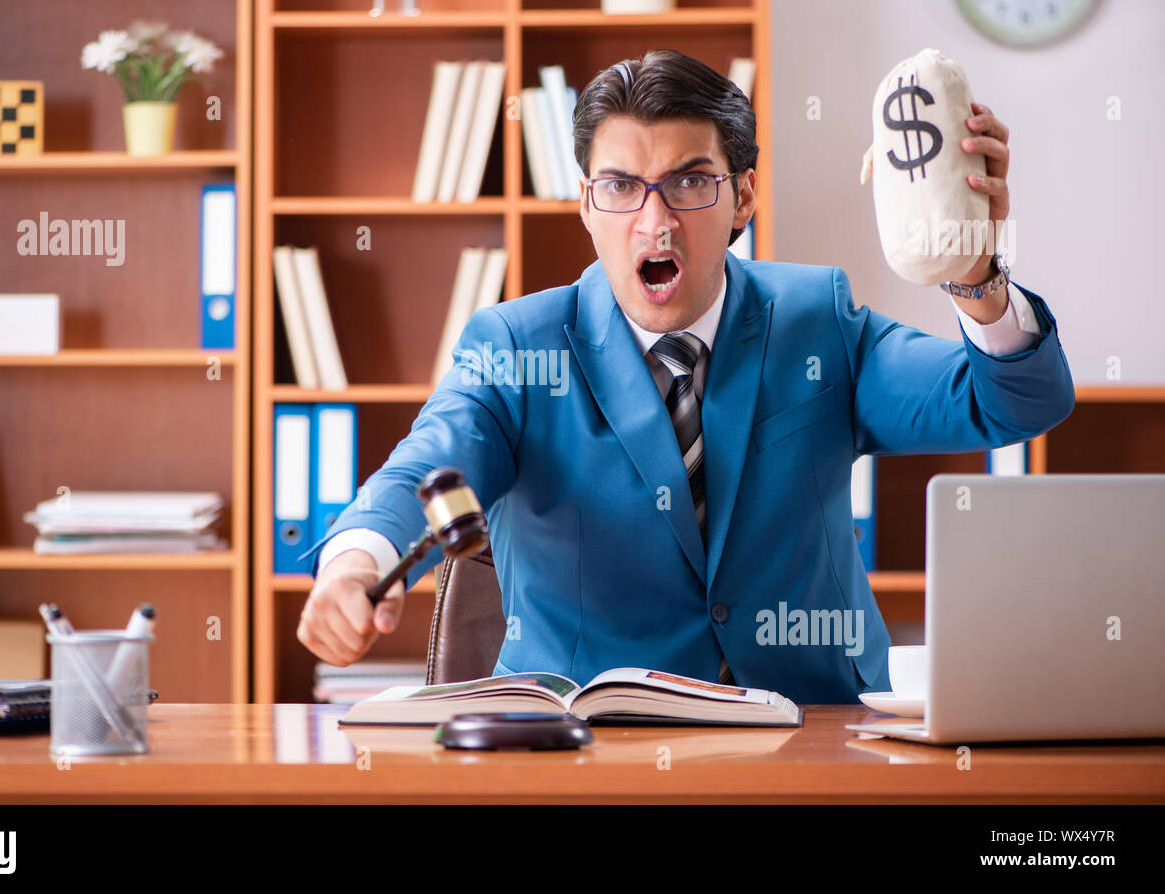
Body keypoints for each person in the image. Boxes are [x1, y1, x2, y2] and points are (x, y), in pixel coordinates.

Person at [296, 48, 1075, 703]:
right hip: (587, 745)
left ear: (743, 196)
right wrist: (356, 558)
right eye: (621, 186)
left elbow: (1010, 400)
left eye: (690, 181)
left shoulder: (817, 320)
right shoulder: (517, 345)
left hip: (813, 739)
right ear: (585, 205)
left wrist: (976, 271)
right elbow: (433, 461)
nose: (655, 220)